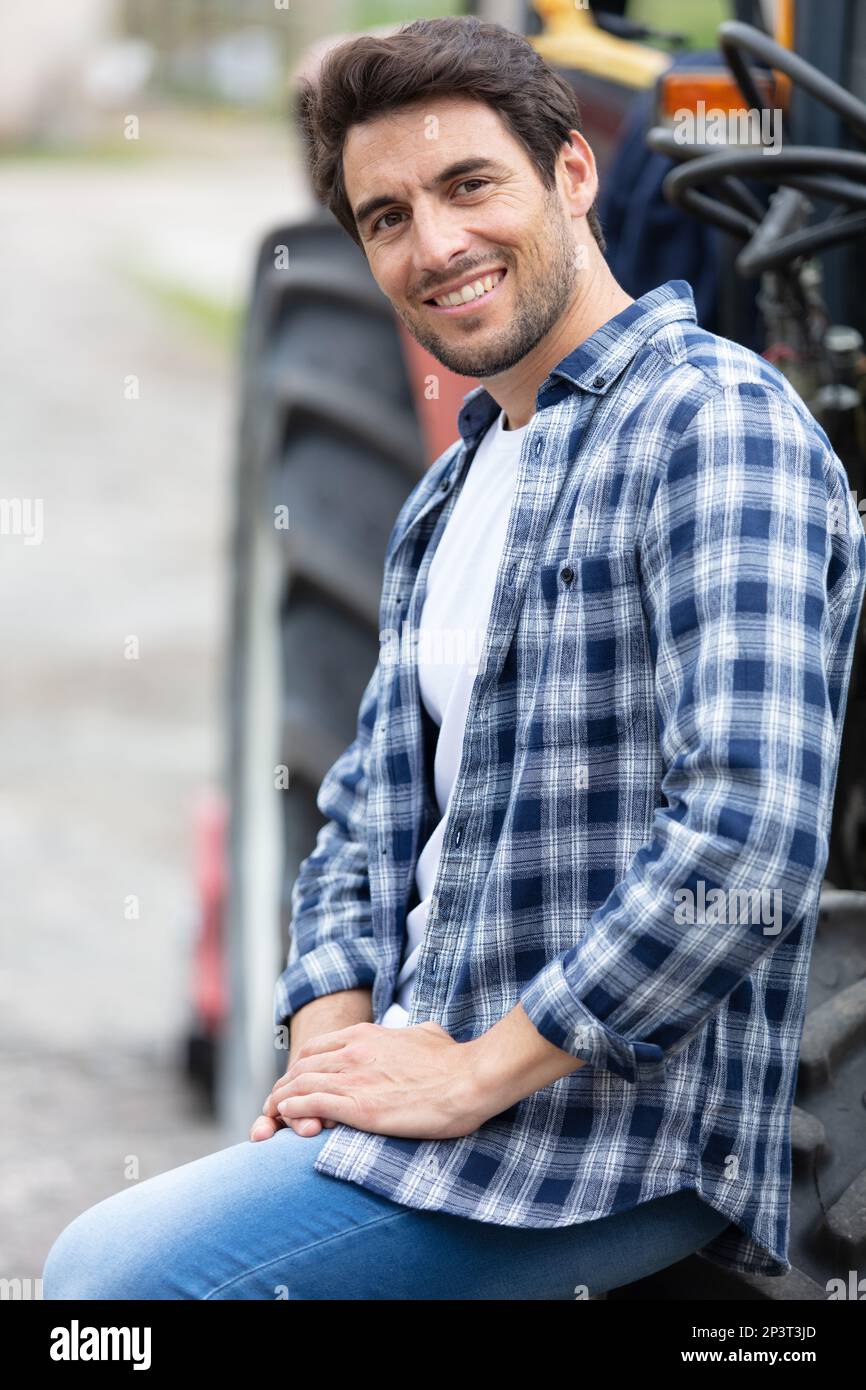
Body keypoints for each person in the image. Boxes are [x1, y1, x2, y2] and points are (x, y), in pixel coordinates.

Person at [43, 15, 866, 1300]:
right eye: (385, 217)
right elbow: (358, 819)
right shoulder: (455, 486)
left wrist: (474, 1068)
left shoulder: (711, 424)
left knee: (110, 1288)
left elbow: (747, 841)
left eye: (469, 184)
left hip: (597, 1146)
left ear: (572, 175)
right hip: (428, 1122)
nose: (435, 245)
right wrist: (331, 1059)